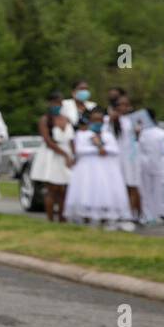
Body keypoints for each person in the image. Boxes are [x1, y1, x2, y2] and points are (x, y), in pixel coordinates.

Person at [63, 107, 131, 229]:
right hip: (86, 169)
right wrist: (97, 149)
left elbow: (115, 149)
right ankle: (85, 218)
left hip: (105, 169)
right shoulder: (82, 134)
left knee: (104, 193)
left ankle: (104, 218)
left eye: (100, 120)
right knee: (86, 192)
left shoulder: (107, 135)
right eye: (95, 120)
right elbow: (79, 150)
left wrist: (104, 148)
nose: (97, 123)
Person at [29, 92, 74, 222]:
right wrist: (64, 154)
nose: (57, 105)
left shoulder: (67, 119)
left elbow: (71, 140)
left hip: (66, 153)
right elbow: (48, 141)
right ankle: (50, 218)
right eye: (54, 103)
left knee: (64, 189)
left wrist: (71, 155)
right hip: (52, 154)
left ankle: (62, 217)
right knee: (52, 189)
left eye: (59, 103)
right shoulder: (45, 120)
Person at [137, 109, 164, 223]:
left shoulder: (141, 132)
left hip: (145, 163)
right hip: (157, 163)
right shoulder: (161, 133)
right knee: (157, 191)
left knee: (146, 190)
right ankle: (156, 214)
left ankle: (147, 215)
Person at [111, 92, 143, 223]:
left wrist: (138, 132)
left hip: (131, 157)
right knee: (119, 185)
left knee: (132, 185)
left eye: (126, 104)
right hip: (117, 156)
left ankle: (132, 213)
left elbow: (138, 139)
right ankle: (119, 212)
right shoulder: (112, 119)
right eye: (120, 104)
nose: (123, 107)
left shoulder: (135, 119)